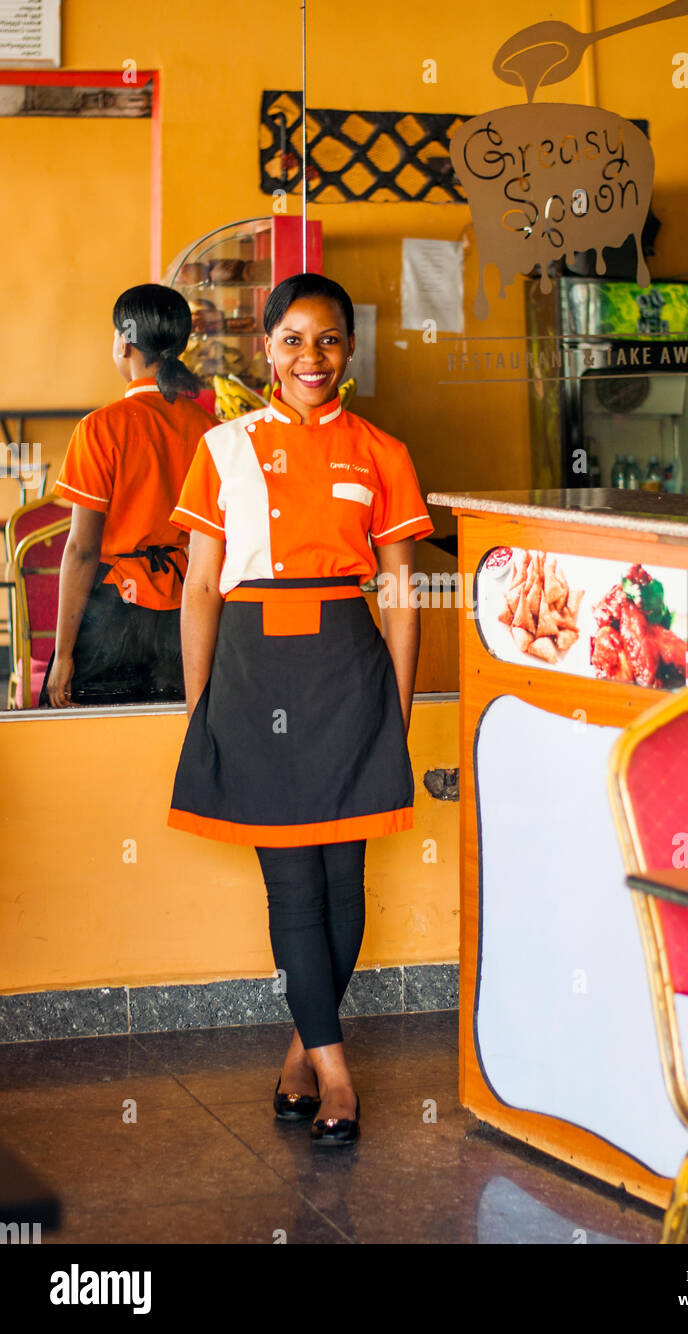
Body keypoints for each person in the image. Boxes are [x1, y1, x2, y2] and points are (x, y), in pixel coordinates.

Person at [167, 273, 433, 1147]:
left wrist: (393, 703)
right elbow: (201, 584)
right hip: (252, 669)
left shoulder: (381, 452)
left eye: (326, 340)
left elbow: (399, 589)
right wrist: (200, 701)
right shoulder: (223, 448)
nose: (308, 357)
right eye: (291, 339)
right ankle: (338, 1074)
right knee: (291, 882)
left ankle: (301, 1049)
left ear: (348, 349)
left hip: (344, 667)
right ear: (266, 348)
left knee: (343, 881)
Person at [43, 284, 212, 707]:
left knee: (92, 742)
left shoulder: (101, 428)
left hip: (113, 618)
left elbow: (82, 550)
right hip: (187, 613)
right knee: (172, 736)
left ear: (124, 342)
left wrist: (63, 654)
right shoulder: (212, 430)